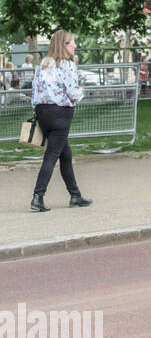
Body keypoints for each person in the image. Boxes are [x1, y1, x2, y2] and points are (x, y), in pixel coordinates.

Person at [29, 30, 92, 212]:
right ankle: (37, 196)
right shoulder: (67, 65)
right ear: (64, 45)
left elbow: (35, 90)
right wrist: (82, 91)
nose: (75, 45)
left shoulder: (44, 63)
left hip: (43, 112)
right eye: (72, 42)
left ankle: (75, 195)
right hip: (60, 113)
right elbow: (72, 92)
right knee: (52, 155)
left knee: (66, 155)